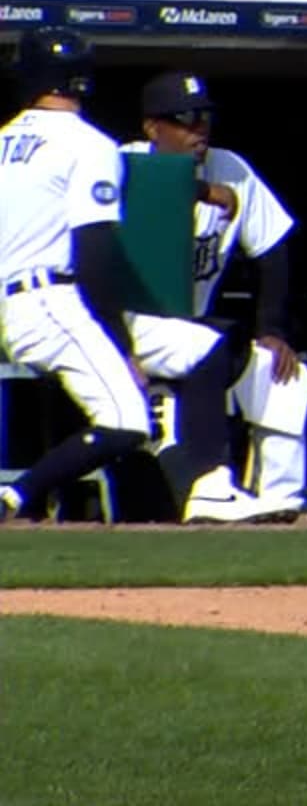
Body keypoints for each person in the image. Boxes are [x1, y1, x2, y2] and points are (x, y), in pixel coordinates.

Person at [0, 31, 288, 523]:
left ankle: (211, 487)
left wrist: (196, 189)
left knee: (201, 346)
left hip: (25, 300)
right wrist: (121, 346)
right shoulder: (88, 144)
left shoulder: (4, 141)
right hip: (57, 300)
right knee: (127, 421)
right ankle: (15, 497)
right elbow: (95, 254)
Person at [118, 70, 307, 510]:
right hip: (130, 329)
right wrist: (202, 189)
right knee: (205, 350)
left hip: (193, 328)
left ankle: (279, 500)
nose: (198, 129)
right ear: (152, 127)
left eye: (203, 118)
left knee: (281, 372)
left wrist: (272, 328)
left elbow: (273, 247)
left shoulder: (231, 168)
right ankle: (212, 486)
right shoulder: (123, 162)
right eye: (184, 119)